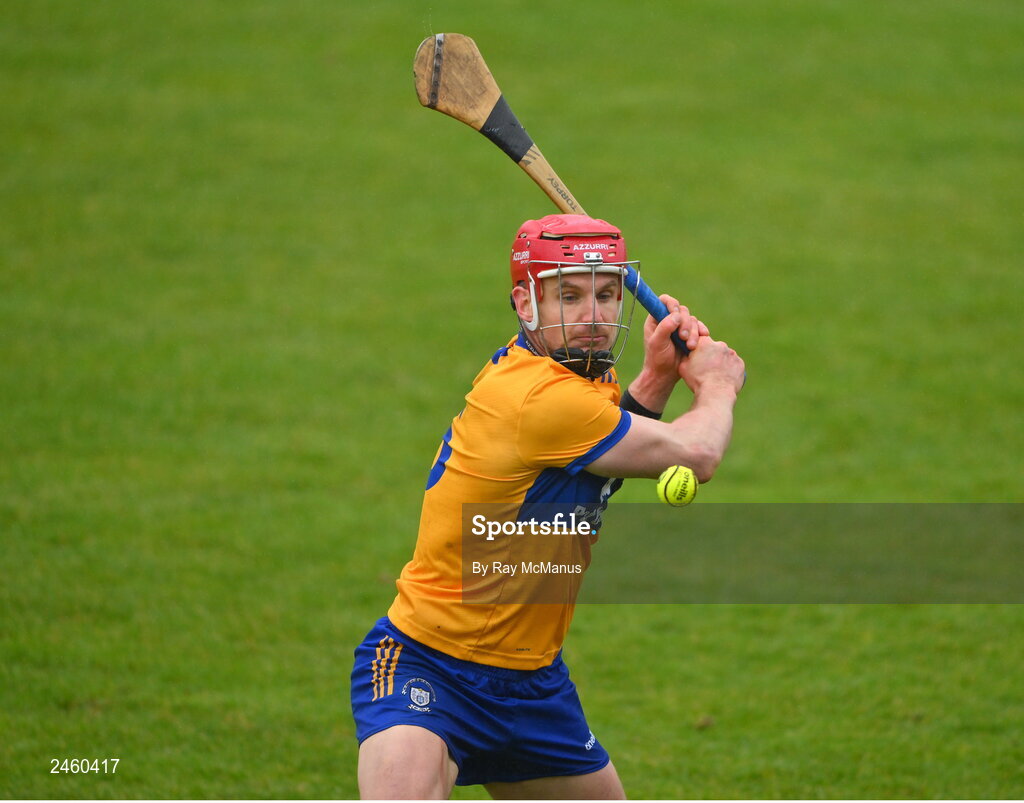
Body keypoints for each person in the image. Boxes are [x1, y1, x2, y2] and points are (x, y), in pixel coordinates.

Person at [350, 214, 745, 799]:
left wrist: (658, 377)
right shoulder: (541, 399)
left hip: (532, 684)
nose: (593, 315)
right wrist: (717, 385)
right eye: (569, 295)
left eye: (607, 293)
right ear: (524, 301)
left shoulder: (570, 378)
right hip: (427, 664)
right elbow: (698, 453)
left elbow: (586, 471)